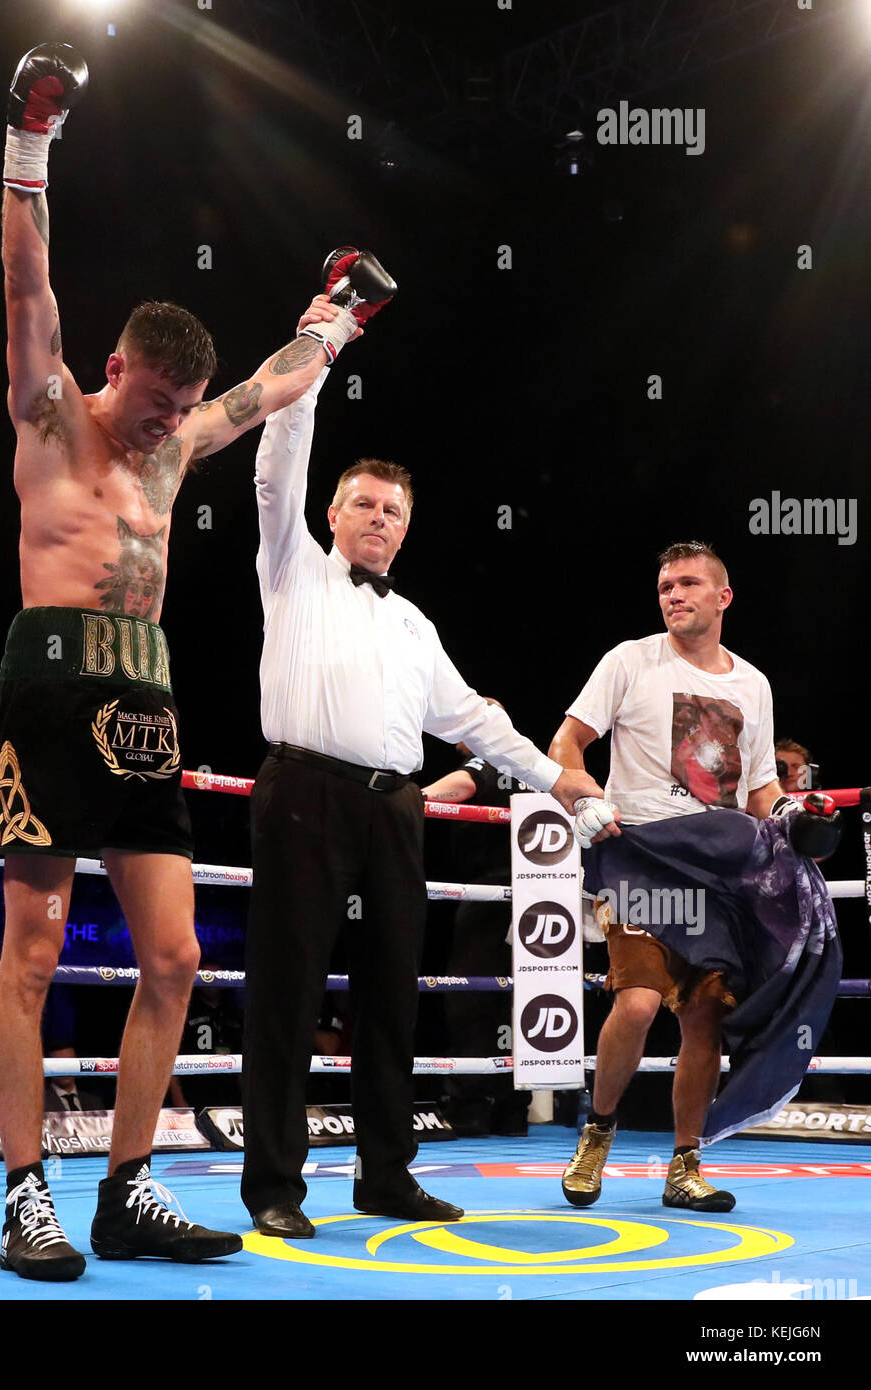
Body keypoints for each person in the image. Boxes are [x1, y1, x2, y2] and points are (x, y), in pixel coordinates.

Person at [0, 43, 358, 1281]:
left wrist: (336, 319)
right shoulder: (50, 410)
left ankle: (126, 1190)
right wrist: (31, 131)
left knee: (177, 956)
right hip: (47, 677)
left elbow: (263, 390)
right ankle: (25, 1193)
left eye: (173, 409)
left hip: (143, 693)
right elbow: (25, 277)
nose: (160, 426)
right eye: (151, 402)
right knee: (31, 948)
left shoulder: (173, 444)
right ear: (115, 368)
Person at [239, 354, 606, 1238]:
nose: (378, 518)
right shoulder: (291, 566)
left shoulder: (414, 625)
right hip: (302, 795)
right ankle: (276, 1190)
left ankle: (386, 1176)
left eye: (393, 511)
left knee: (392, 998)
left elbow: (477, 723)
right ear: (332, 514)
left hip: (395, 810)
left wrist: (558, 777)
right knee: (288, 995)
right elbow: (275, 465)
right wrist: (315, 363)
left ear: (406, 531)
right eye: (363, 503)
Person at [551, 541, 842, 1212]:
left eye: (687, 583)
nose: (672, 594)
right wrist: (583, 793)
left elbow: (763, 787)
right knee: (638, 1002)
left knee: (705, 1018)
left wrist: (798, 823)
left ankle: (686, 1166)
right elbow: (565, 743)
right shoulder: (628, 661)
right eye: (664, 586)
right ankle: (597, 1130)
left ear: (722, 597)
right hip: (641, 853)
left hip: (722, 868)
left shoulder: (753, 685)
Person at [421, 718, 532, 1137]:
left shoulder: (489, 760)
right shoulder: (535, 765)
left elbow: (464, 785)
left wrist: (414, 799)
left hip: (490, 894)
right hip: (542, 896)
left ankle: (471, 1103)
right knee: (523, 996)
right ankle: (512, 1105)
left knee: (470, 994)